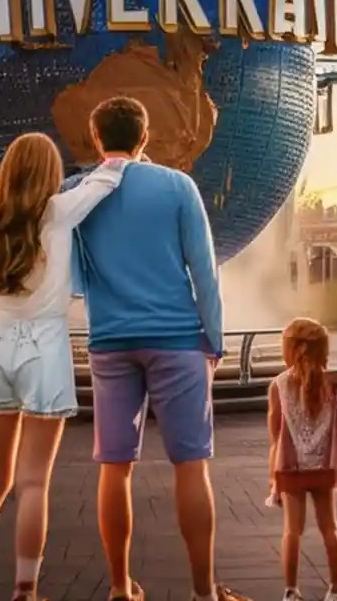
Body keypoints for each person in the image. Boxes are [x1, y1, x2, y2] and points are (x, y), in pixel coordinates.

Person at [72, 96, 249, 601]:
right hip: (177, 340)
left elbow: (63, 258)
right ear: (145, 136)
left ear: (96, 137)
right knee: (191, 465)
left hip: (109, 341)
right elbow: (204, 271)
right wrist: (212, 341)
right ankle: (202, 593)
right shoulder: (177, 186)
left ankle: (120, 588)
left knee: (115, 466)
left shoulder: (79, 192)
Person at [0, 132, 127, 601]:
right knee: (33, 483)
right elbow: (107, 178)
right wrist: (122, 151)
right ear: (50, 172)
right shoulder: (58, 211)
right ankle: (25, 591)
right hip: (44, 351)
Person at [265, 318, 337, 601]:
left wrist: (273, 479)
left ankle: (290, 591)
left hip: (291, 468)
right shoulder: (332, 382)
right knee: (330, 529)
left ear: (293, 349)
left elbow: (275, 437)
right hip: (324, 466)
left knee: (292, 531)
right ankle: (335, 590)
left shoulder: (278, 385)